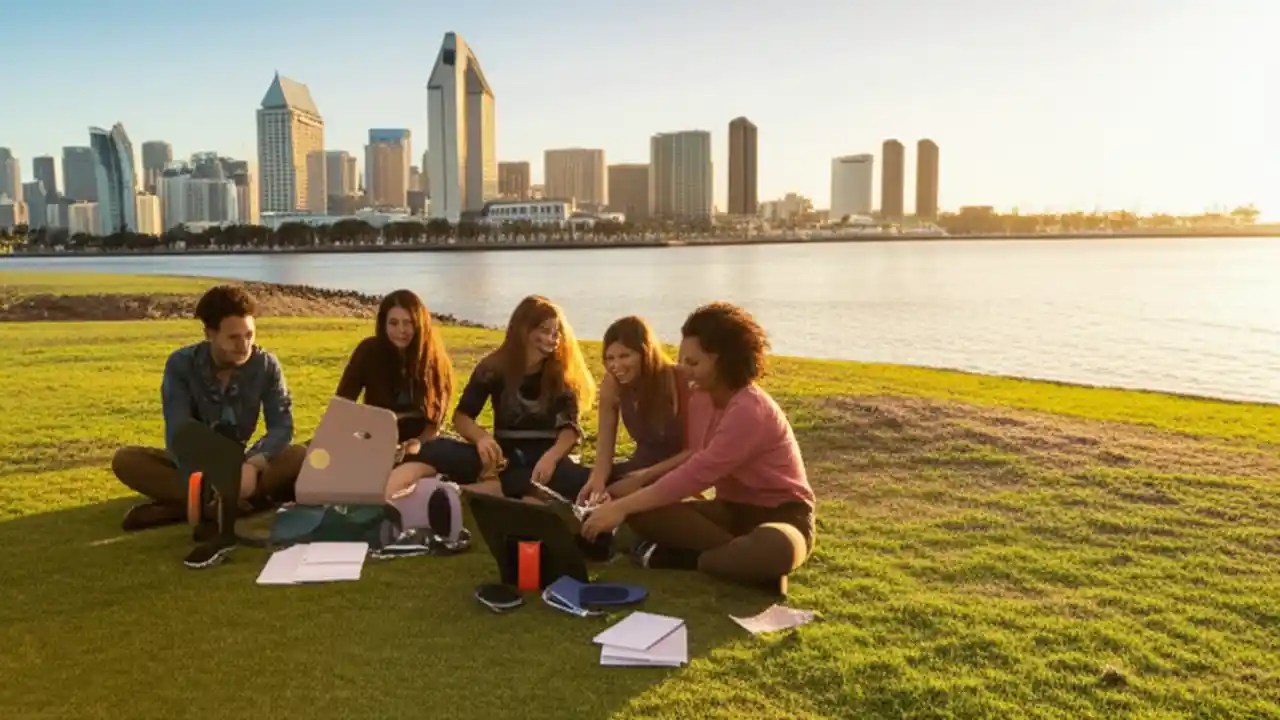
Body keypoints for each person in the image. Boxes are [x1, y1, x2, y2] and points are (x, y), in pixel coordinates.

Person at [581, 302, 815, 594]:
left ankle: (701, 559)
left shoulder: (748, 409)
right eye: (683, 360)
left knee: (774, 547)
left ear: (722, 361)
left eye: (692, 363)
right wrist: (624, 501)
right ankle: (742, 563)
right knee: (643, 512)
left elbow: (697, 473)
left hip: (783, 515)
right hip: (730, 512)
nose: (683, 369)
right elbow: (693, 459)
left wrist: (619, 505)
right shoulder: (701, 397)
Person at [112, 285, 306, 531]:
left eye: (249, 335)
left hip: (243, 465)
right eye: (233, 337)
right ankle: (233, 504)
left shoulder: (266, 365)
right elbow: (179, 430)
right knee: (127, 460)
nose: (244, 345)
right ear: (209, 334)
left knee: (298, 455)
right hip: (196, 468)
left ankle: (188, 508)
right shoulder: (181, 364)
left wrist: (253, 464)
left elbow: (281, 426)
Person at [407, 295, 595, 501]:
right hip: (504, 455)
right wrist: (481, 438)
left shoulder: (562, 375)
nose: (552, 338)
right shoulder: (493, 368)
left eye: (555, 332)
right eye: (544, 330)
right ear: (523, 330)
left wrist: (552, 456)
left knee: (575, 480)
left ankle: (470, 494)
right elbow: (462, 416)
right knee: (435, 448)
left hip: (546, 461)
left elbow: (570, 429)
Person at [335, 289, 454, 500]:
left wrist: (415, 444)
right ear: (383, 324)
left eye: (408, 323)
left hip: (420, 446)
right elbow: (343, 406)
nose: (402, 330)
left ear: (420, 324)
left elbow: (434, 423)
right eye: (394, 323)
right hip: (374, 440)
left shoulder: (434, 360)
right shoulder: (368, 352)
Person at [577, 316, 690, 504]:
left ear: (646, 353)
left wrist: (645, 477)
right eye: (610, 358)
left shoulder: (678, 380)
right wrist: (596, 481)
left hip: (676, 471)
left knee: (615, 496)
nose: (616, 366)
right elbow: (605, 448)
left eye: (625, 356)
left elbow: (696, 451)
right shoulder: (612, 384)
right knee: (578, 485)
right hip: (638, 468)